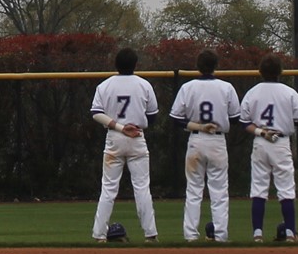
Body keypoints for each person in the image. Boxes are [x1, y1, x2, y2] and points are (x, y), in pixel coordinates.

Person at [89, 46, 159, 242]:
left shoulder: (105, 85)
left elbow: (96, 113)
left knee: (108, 189)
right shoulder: (144, 85)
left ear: (116, 65)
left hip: (114, 136)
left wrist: (120, 127)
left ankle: (99, 235)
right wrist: (134, 127)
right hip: (137, 136)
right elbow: (152, 116)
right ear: (136, 65)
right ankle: (150, 234)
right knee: (142, 188)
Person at [168, 51, 239, 242]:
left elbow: (175, 119)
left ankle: (190, 235)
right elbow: (235, 118)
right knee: (219, 191)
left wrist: (196, 124)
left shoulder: (188, 87)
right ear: (216, 65)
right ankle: (221, 235)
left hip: (196, 139)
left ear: (198, 66)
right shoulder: (226, 87)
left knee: (193, 190)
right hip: (217, 139)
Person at [236, 54, 298, 243]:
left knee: (258, 188)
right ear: (280, 72)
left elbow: (244, 122)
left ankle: (257, 234)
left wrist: (260, 130)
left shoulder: (252, 92)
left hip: (261, 141)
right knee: (286, 189)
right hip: (280, 141)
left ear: (261, 72)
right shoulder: (289, 92)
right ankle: (291, 233)